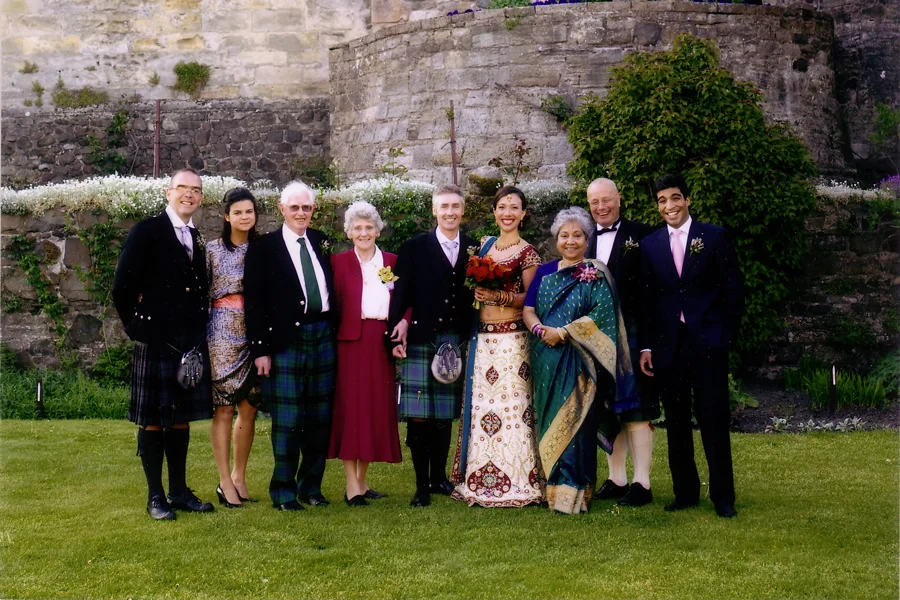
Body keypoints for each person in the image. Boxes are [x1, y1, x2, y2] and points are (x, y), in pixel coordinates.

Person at [638, 173, 744, 518]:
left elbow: (732, 289)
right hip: (669, 346)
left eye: (675, 198)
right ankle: (685, 492)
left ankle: (723, 496)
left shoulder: (713, 237)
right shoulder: (651, 244)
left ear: (687, 200)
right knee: (678, 422)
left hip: (707, 342)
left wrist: (724, 335)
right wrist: (646, 347)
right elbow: (648, 301)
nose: (669, 206)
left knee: (713, 418)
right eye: (662, 201)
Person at [112, 167, 215, 520]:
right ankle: (156, 497)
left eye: (196, 190)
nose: (189, 194)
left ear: (201, 197)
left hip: (187, 341)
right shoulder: (148, 231)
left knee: (182, 419)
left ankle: (180, 491)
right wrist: (137, 327)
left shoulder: (195, 236)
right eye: (182, 188)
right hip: (155, 339)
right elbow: (122, 287)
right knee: (154, 420)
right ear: (168, 193)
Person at [523, 207, 637, 514]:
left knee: (578, 423)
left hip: (581, 361)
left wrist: (563, 331)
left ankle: (574, 494)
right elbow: (528, 307)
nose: (570, 241)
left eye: (577, 235)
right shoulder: (546, 272)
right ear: (555, 239)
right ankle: (552, 489)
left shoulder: (597, 273)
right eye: (564, 235)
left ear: (586, 239)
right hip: (546, 356)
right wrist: (539, 329)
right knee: (548, 421)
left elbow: (603, 315)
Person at [244, 180, 336, 511]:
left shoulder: (321, 241)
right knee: (287, 419)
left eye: (306, 207)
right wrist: (260, 350)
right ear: (282, 209)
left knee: (320, 418)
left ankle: (311, 487)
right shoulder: (263, 248)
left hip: (323, 335)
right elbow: (253, 303)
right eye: (294, 207)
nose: (301, 213)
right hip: (285, 342)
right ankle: (283, 491)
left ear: (313, 210)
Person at [450, 186, 543, 508]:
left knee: (512, 410)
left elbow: (533, 300)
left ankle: (517, 478)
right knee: (483, 409)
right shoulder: (486, 245)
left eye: (513, 207)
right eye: (502, 206)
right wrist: (477, 292)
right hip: (483, 339)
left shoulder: (528, 252)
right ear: (494, 211)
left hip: (512, 341)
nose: (507, 212)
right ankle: (480, 477)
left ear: (523, 214)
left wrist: (498, 297)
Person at [387, 183, 476, 508]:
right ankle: (421, 484)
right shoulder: (414, 247)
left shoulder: (475, 248)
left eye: (455, 206)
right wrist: (395, 331)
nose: (450, 212)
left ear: (462, 211)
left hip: (456, 338)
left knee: (443, 415)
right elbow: (399, 291)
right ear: (434, 210)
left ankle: (439, 478)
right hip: (422, 336)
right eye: (444, 207)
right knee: (419, 415)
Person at [585, 178, 659, 507]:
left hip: (632, 334)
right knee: (605, 407)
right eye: (594, 202)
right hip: (595, 338)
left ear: (619, 198)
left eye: (606, 200)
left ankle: (642, 483)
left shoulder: (643, 235)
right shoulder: (582, 238)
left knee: (637, 409)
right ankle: (616, 478)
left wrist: (647, 344)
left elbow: (653, 294)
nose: (601, 207)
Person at [328, 201, 403, 507]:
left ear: (377, 230)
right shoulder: (339, 262)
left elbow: (402, 300)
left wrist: (404, 323)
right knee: (351, 410)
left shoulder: (390, 263)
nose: (363, 232)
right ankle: (351, 485)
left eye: (368, 227)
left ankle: (362, 480)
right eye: (357, 228)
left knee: (372, 409)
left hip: (380, 342)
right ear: (348, 232)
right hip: (349, 342)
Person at [206, 187, 262, 508]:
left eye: (249, 211)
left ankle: (240, 477)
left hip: (254, 330)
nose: (244, 216)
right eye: (238, 212)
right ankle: (224, 481)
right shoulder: (212, 250)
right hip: (222, 331)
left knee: (250, 406)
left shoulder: (263, 248)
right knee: (225, 407)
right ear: (227, 216)